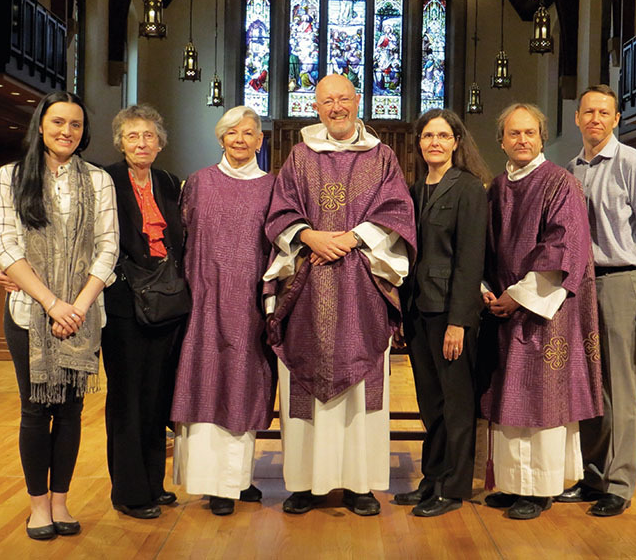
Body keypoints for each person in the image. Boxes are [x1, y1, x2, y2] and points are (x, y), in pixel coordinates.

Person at [263, 73, 416, 516]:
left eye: (343, 99)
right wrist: (309, 236)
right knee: (304, 380)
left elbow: (396, 210)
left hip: (362, 285)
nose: (336, 108)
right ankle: (305, 483)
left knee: (362, 380)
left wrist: (351, 238)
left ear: (356, 101)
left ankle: (359, 484)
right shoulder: (298, 155)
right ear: (316, 107)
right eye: (327, 101)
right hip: (307, 287)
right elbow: (281, 211)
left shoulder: (382, 156)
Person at [0, 91, 119, 539]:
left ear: (84, 132)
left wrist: (78, 306)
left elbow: (109, 248)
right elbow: (6, 247)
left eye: (76, 125)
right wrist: (52, 303)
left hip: (84, 312)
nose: (67, 131)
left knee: (71, 411)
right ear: (41, 126)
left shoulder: (99, 181)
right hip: (30, 312)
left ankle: (61, 503)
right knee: (34, 409)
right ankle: (38, 507)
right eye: (58, 122)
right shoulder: (11, 177)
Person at [480, 103, 603, 520]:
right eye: (513, 134)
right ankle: (513, 484)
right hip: (503, 305)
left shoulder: (559, 184)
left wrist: (519, 294)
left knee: (540, 397)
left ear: (541, 136)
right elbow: (483, 246)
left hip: (543, 309)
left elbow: (563, 247)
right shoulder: (496, 187)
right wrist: (486, 291)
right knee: (508, 397)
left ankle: (540, 488)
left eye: (530, 133)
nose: (522, 140)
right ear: (501, 141)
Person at [560, 84, 636, 517]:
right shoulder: (571, 169)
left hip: (621, 279)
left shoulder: (632, 164)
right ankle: (592, 476)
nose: (595, 119)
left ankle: (619, 484)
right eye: (588, 112)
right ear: (578, 119)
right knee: (589, 385)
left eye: (604, 112)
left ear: (616, 118)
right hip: (581, 286)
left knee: (620, 388)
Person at [170, 106, 277, 516]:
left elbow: (277, 246)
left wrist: (270, 300)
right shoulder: (198, 183)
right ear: (220, 138)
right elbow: (181, 242)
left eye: (249, 133)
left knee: (244, 387)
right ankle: (213, 483)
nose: (240, 139)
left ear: (259, 141)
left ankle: (239, 478)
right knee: (206, 385)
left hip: (249, 305)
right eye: (232, 132)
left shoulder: (272, 187)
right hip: (203, 304)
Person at [394, 109, 491, 517]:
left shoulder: (468, 189)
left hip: (450, 312)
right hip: (419, 309)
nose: (434, 142)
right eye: (428, 136)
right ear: (419, 143)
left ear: (456, 142)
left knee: (456, 404)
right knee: (430, 403)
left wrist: (459, 322)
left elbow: (471, 261)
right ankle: (431, 478)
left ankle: (454, 489)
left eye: (443, 135)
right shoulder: (415, 190)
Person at [101, 105, 184, 519]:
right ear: (120, 142)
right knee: (127, 399)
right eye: (133, 136)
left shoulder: (169, 183)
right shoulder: (105, 180)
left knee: (156, 397)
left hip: (165, 304)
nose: (142, 143)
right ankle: (130, 492)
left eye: (149, 136)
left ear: (160, 141)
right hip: (121, 305)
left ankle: (154, 482)